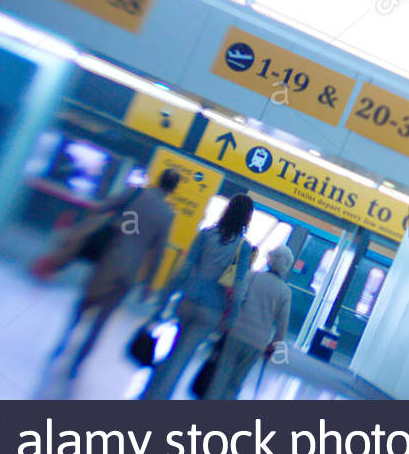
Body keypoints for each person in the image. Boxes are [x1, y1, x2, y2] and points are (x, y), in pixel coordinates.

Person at [50, 167, 179, 378]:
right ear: (173, 189)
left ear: (158, 179)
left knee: (85, 305)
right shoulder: (167, 214)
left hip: (110, 259)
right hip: (129, 272)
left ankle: (63, 343)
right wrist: (149, 284)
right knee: (102, 320)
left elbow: (103, 206)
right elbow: (158, 252)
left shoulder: (136, 193)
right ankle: (78, 363)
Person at [138, 193, 253, 399]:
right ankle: (158, 397)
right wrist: (231, 319)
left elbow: (186, 268)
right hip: (212, 309)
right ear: (247, 218)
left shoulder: (206, 234)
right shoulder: (242, 248)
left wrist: (166, 296)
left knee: (174, 350)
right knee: (183, 356)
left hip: (188, 300)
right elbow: (238, 287)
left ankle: (149, 392)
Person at [206, 243, 294, 399]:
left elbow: (237, 299)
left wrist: (226, 322)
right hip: (258, 342)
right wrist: (273, 345)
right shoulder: (285, 292)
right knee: (236, 382)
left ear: (270, 259)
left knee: (220, 376)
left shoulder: (251, 276)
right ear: (286, 266)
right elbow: (282, 326)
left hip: (236, 332)